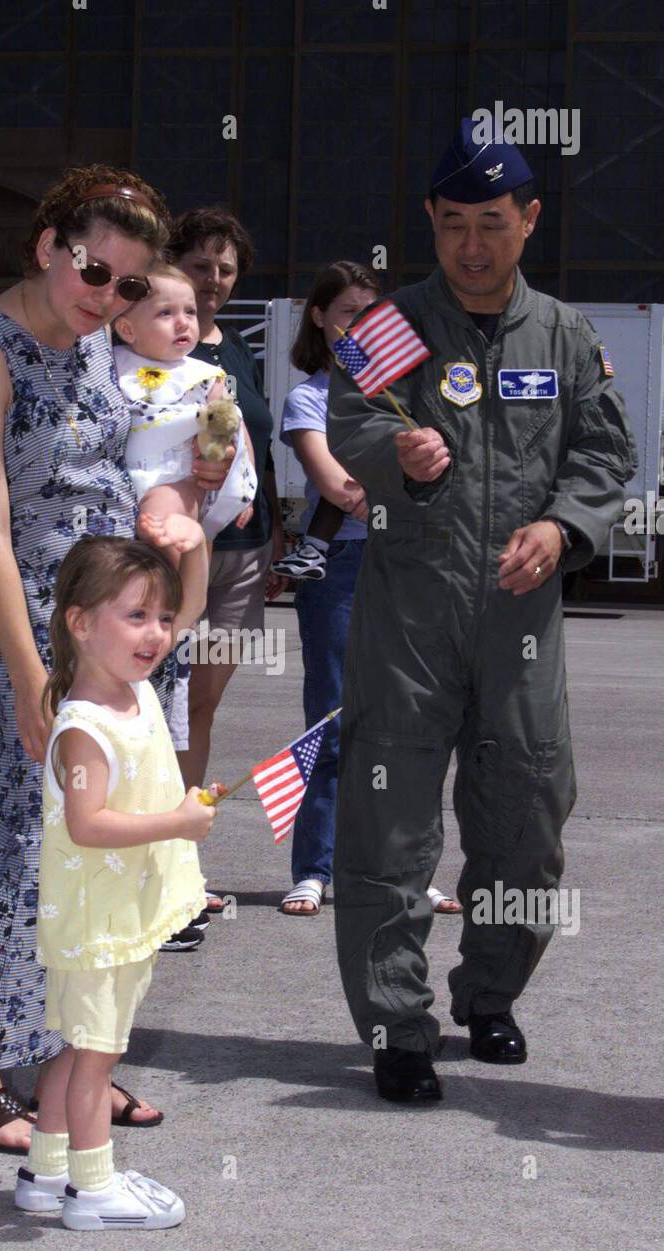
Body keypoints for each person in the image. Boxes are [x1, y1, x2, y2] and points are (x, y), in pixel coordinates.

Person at [328, 120, 637, 1103]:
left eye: (490, 222)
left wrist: (561, 526)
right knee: (387, 828)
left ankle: (490, 995)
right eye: (452, 221)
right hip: (407, 621)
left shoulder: (565, 334)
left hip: (519, 621)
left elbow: (602, 453)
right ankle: (396, 1025)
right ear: (429, 218)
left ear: (527, 221)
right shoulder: (386, 325)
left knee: (526, 820)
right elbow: (352, 418)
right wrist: (397, 454)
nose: (470, 242)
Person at [0, 165, 233, 1154]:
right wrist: (28, 675)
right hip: (52, 643)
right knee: (32, 850)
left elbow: (117, 472)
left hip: (118, 637)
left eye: (133, 286)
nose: (110, 297)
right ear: (45, 244)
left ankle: (75, 1065)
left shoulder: (97, 346)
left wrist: (189, 488)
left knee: (100, 859)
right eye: (96, 271)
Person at [14, 535, 215, 1229]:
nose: (157, 633)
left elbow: (194, 602)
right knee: (97, 1057)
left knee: (78, 1047)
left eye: (162, 618)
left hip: (115, 912)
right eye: (137, 616)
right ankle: (93, 1192)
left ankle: (44, 1174)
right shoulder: (84, 728)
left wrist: (197, 539)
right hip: (98, 921)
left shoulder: (135, 693)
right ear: (78, 621)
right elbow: (87, 824)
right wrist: (177, 822)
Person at [277, 263, 462, 920]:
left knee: (412, 729)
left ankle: (409, 871)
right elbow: (338, 487)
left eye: (371, 312)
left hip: (415, 570)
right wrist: (401, 488)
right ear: (321, 319)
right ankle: (315, 869)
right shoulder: (311, 397)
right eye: (347, 311)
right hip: (346, 577)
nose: (360, 323)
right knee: (332, 723)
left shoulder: (412, 391)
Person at [165, 208, 288, 927]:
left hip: (244, 555)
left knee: (199, 706)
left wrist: (277, 537)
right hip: (175, 554)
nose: (212, 280)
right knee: (157, 705)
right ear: (172, 261)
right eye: (201, 265)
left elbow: (256, 449)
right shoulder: (147, 340)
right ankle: (148, 854)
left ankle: (183, 854)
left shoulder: (235, 347)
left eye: (225, 270)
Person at [113, 264, 256, 551]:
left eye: (189, 312)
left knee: (165, 522)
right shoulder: (111, 363)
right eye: (166, 313)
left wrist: (242, 486)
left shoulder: (206, 374)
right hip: (120, 478)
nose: (183, 322)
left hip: (179, 477)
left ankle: (173, 580)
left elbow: (233, 425)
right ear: (127, 329)